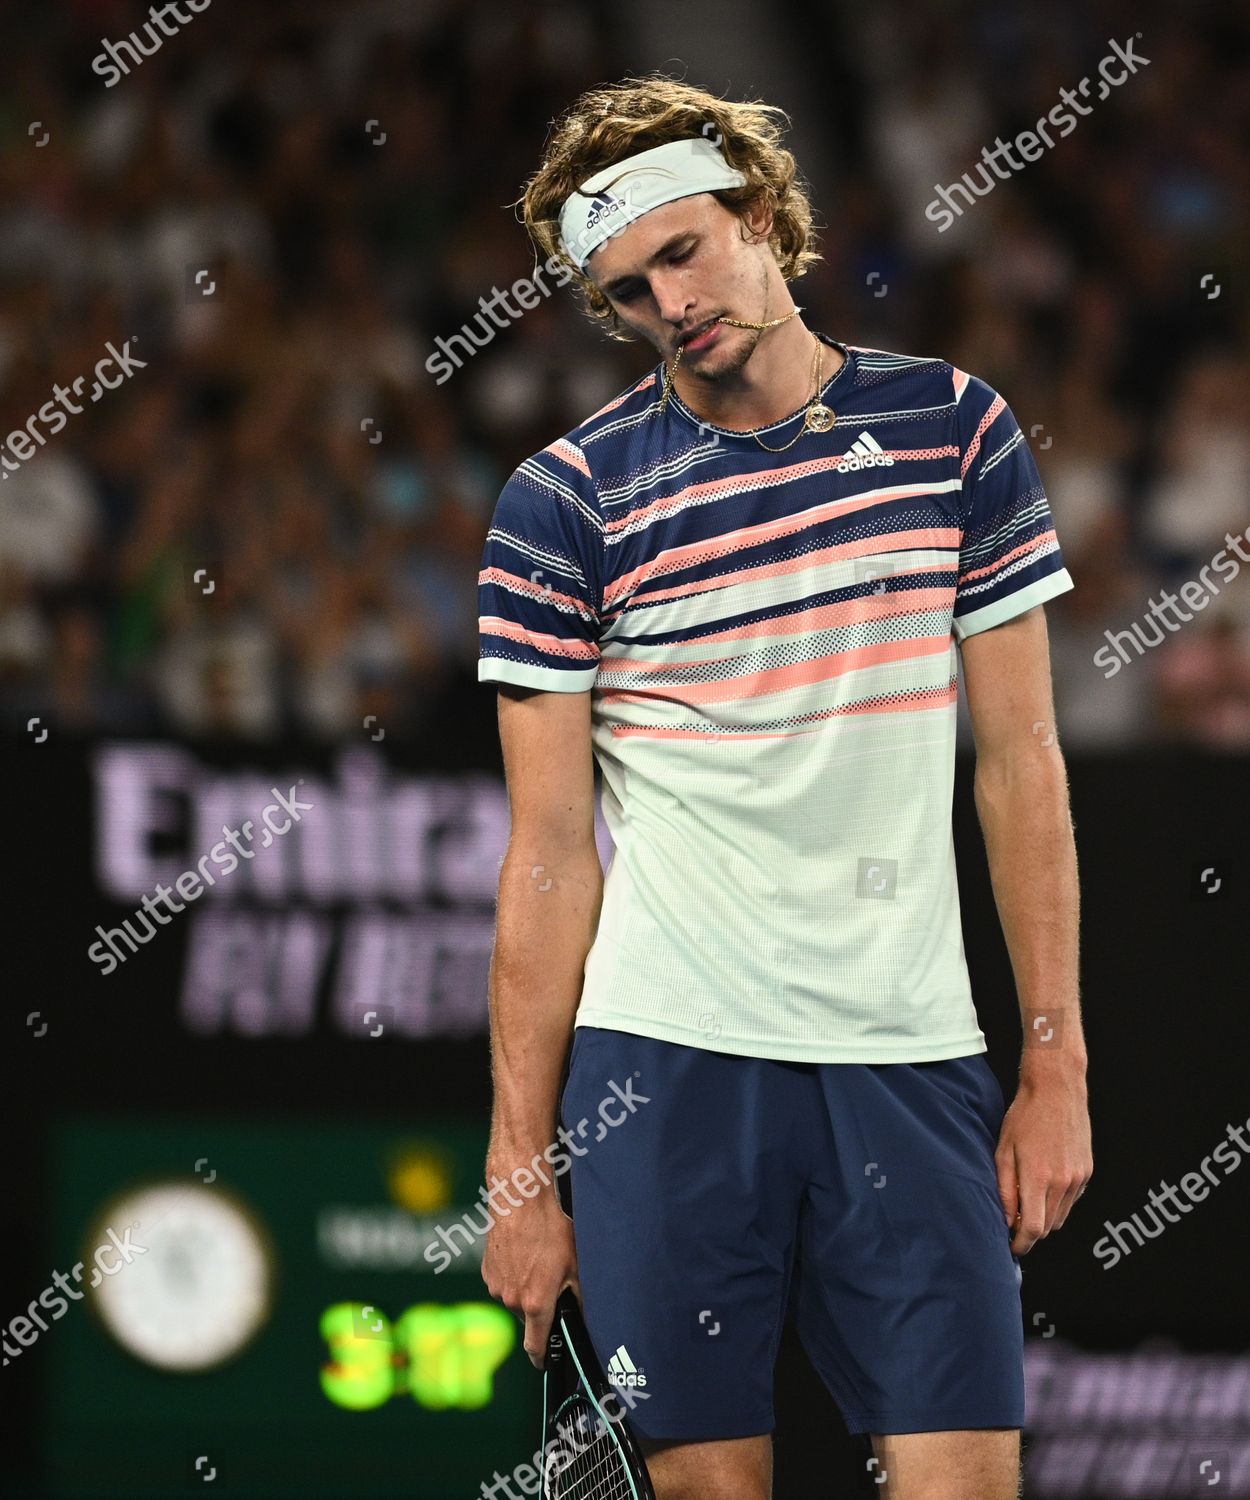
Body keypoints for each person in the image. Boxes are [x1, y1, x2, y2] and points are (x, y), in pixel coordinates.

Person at [475, 75, 1092, 1500]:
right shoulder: (562, 505)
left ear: (760, 215)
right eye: (626, 291)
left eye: (682, 251)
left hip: (912, 1052)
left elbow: (1020, 766)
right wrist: (521, 1167)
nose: (667, 303)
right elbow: (551, 855)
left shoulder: (953, 430)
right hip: (666, 1067)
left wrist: (1051, 1054)